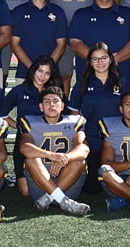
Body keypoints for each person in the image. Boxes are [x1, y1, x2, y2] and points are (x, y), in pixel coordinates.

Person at [19, 86, 90, 216]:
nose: (51, 104)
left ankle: (50, 197)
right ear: (41, 107)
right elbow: (24, 147)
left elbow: (84, 149)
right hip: (40, 184)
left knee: (80, 161)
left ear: (62, 106)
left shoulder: (74, 122)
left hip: (68, 184)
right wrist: (51, 155)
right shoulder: (31, 123)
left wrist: (65, 158)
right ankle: (63, 201)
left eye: (55, 101)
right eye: (47, 101)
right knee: (31, 159)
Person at [0, 55, 62, 194]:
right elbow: (1, 114)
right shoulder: (19, 90)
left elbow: (65, 116)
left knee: (51, 180)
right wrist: (19, 125)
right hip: (25, 140)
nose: (42, 76)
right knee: (25, 191)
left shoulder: (54, 93)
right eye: (40, 71)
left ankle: (52, 191)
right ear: (33, 70)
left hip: (49, 139)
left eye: (47, 73)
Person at [68, 0, 130, 90]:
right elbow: (75, 43)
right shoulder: (81, 15)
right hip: (89, 79)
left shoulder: (127, 13)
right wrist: (98, 60)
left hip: (121, 77)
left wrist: (115, 59)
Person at [68, 42, 122, 193]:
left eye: (104, 58)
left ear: (110, 59)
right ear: (90, 62)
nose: (100, 62)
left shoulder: (121, 82)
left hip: (116, 140)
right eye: (95, 59)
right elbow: (74, 112)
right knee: (92, 188)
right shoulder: (82, 84)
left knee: (117, 182)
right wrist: (82, 135)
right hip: (92, 139)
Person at [10, 0, 67, 83]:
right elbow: (15, 44)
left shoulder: (58, 12)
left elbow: (61, 44)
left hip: (50, 76)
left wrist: (46, 70)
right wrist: (33, 69)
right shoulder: (18, 12)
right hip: (25, 73)